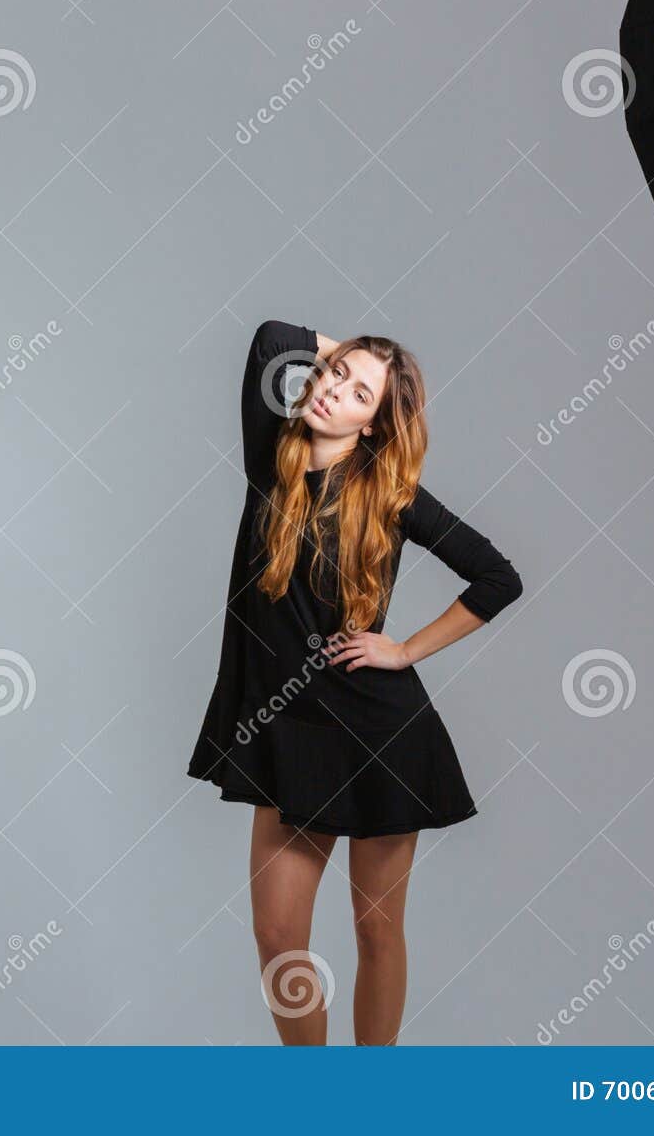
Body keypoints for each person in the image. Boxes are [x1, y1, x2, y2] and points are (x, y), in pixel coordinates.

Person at [187, 319, 523, 1045]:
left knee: (377, 930)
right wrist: (351, 351)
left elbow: (499, 577)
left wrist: (404, 652)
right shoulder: (271, 458)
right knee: (279, 935)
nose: (333, 390)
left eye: (358, 392)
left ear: (375, 424)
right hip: (289, 733)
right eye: (334, 375)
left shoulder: (392, 494)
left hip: (380, 735)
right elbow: (272, 338)